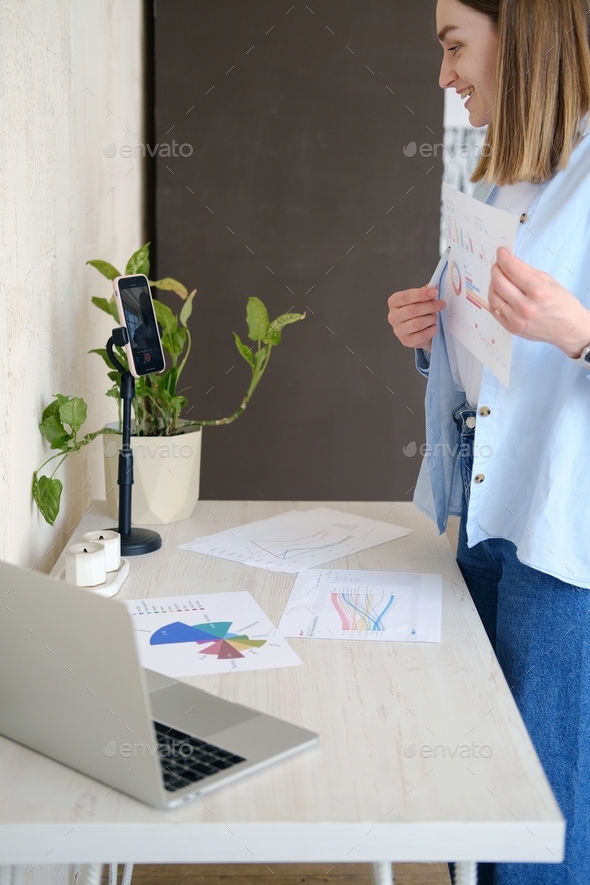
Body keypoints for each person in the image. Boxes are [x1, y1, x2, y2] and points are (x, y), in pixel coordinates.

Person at [387, 1, 590, 883]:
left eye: (453, 48)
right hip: (482, 514)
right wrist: (433, 336)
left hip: (558, 541)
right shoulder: (506, 173)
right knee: (477, 810)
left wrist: (579, 329)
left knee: (537, 829)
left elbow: (561, 340)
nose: (445, 75)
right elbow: (495, 363)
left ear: (526, 35)